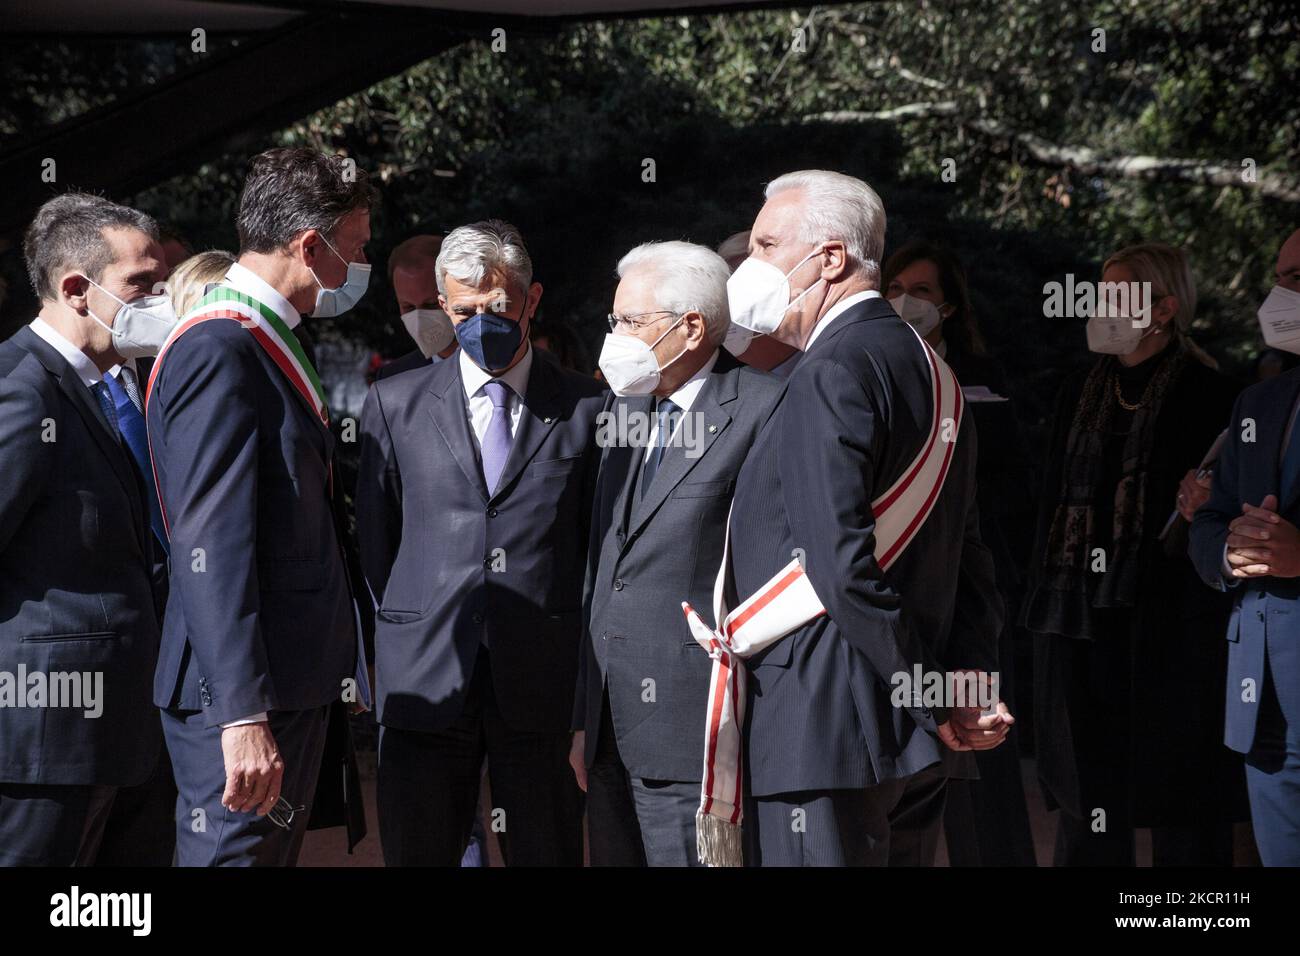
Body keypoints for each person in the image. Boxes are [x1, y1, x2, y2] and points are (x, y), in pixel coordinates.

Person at [712, 170, 1009, 867]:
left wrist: (934, 698)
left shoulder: (829, 369)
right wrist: (959, 690)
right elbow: (971, 560)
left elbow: (839, 567)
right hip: (913, 736)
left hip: (825, 729)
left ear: (832, 259)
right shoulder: (934, 372)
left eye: (766, 246)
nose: (749, 267)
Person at [146, 146, 374, 866]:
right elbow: (211, 540)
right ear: (310, 246)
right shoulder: (221, 346)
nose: (357, 268)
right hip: (244, 693)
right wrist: (240, 712)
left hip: (284, 676)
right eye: (357, 249)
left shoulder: (256, 339)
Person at [357, 219, 605, 866]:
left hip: (544, 680)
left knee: (546, 849)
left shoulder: (591, 408)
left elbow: (597, 551)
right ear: (443, 304)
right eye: (464, 310)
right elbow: (378, 544)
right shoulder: (393, 404)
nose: (480, 322)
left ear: (530, 299)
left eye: (497, 307)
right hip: (426, 674)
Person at [1023, 242, 1246, 866]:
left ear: (1164, 308)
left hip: (1170, 622)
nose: (1099, 306)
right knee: (1086, 798)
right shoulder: (1079, 389)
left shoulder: (1212, 394)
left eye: (1118, 294)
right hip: (1079, 620)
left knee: (1184, 799)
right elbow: (1049, 506)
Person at [570, 240, 783, 865]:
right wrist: (585, 715)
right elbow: (605, 566)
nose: (616, 337)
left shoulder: (763, 408)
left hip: (698, 729)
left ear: (692, 327)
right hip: (609, 724)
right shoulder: (624, 407)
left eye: (631, 322)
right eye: (616, 322)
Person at [0, 192, 166, 865]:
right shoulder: (21, 389)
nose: (158, 301)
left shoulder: (110, 387)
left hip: (120, 732)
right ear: (76, 289)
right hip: (48, 739)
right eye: (141, 286)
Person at [882, 240, 1036, 866]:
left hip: (969, 591)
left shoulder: (980, 382)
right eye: (897, 287)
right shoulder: (872, 374)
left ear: (949, 305)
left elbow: (1010, 494)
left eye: (921, 292)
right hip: (902, 606)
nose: (906, 301)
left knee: (978, 760)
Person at [1190, 227, 1300, 866]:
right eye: (1281, 275)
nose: (1280, 293)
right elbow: (1211, 523)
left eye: (1299, 279)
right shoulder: (1258, 402)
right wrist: (1228, 555)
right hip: (1264, 708)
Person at [716, 230, 799, 376]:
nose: (733, 303)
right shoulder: (718, 378)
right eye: (728, 289)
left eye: (748, 289)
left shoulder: (823, 367)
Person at [378, 233, 457, 381]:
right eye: (408, 307)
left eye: (432, 304)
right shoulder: (393, 381)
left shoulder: (502, 363)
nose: (420, 318)